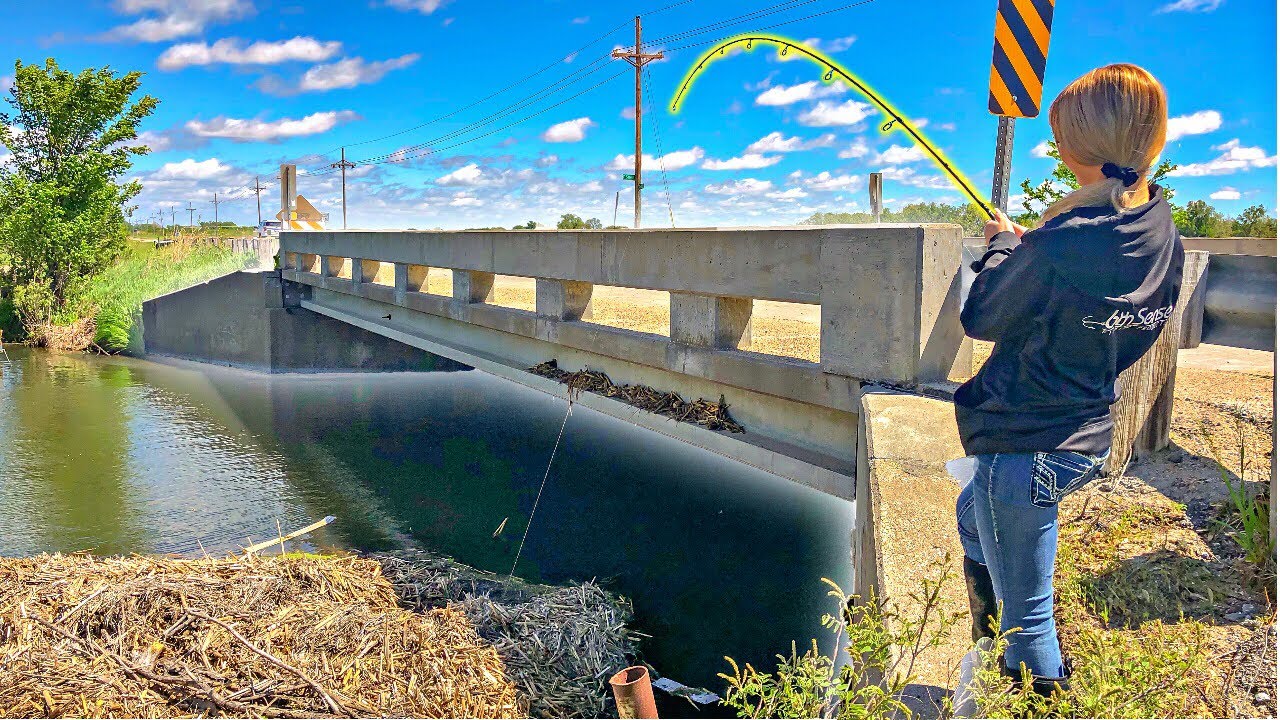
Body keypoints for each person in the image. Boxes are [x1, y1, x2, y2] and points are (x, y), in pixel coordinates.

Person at [953, 63, 1185, 696]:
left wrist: (1003, 247)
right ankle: (991, 643)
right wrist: (1031, 255)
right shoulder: (1157, 228)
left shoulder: (1058, 246)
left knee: (1031, 619)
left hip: (1026, 446)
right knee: (973, 518)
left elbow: (982, 315)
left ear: (1074, 147)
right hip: (1086, 434)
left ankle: (1028, 694)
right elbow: (1131, 314)